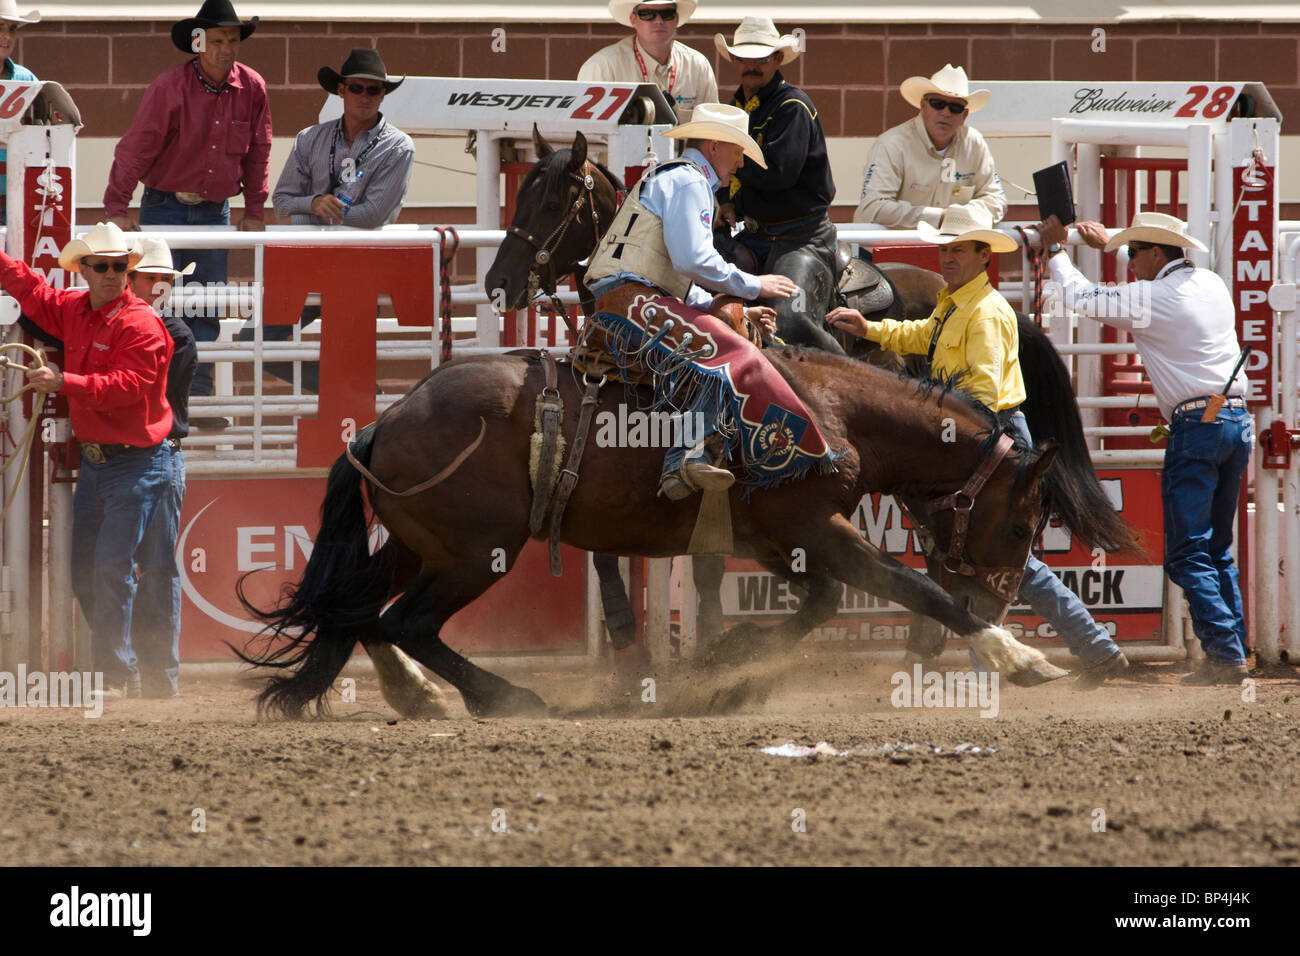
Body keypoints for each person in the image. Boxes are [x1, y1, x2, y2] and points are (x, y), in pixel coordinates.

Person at [827, 207, 1131, 687]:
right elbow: (920, 334)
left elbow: (984, 392)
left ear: (983, 256)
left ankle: (1048, 660)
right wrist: (870, 330)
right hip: (986, 438)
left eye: (958, 250)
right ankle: (1090, 651)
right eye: (945, 249)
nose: (947, 258)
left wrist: (946, 431)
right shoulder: (956, 303)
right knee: (1000, 559)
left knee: (996, 558)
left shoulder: (984, 312)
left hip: (989, 439)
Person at [1038, 211, 1252, 685]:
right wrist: (1113, 243)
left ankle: (1222, 654)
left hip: (1197, 424)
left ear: (1157, 253)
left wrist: (1056, 249)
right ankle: (1232, 647)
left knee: (1187, 553)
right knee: (1215, 548)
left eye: (1135, 252)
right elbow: (1141, 284)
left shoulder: (1154, 297)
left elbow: (1079, 297)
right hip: (1235, 419)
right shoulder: (1211, 283)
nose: (1129, 260)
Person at [584, 101, 812, 498]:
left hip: (629, 294)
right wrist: (753, 286)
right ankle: (687, 457)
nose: (740, 163)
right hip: (631, 297)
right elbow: (693, 260)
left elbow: (678, 270)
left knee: (716, 329)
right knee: (722, 347)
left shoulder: (678, 179)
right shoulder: (691, 182)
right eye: (737, 151)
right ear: (713, 146)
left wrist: (717, 304)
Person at [6, 222, 174, 700]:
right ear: (83, 270)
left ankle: (121, 674)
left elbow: (131, 387)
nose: (111, 274)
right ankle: (134, 667)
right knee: (90, 570)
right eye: (101, 267)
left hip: (135, 463)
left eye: (119, 266)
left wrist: (65, 384)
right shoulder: (76, 310)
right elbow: (32, 290)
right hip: (106, 464)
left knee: (110, 568)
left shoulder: (139, 323)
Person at [102, 0, 271, 423]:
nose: (226, 48)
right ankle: (156, 398)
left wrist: (254, 208)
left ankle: (196, 399)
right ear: (199, 43)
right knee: (155, 303)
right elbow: (138, 145)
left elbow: (259, 152)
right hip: (164, 205)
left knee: (205, 305)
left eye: (232, 40)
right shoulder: (170, 87)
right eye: (217, 40)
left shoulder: (252, 88)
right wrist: (117, 205)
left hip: (215, 211)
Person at [256, 49, 414, 392]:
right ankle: (348, 388)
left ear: (383, 94)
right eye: (357, 88)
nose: (365, 97)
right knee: (252, 343)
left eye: (374, 90)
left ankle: (355, 394)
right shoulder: (309, 138)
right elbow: (281, 202)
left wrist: (323, 212)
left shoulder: (398, 147)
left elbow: (373, 214)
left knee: (350, 359)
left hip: (359, 267)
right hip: (305, 264)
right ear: (341, 90)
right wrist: (314, 204)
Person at [712, 17, 840, 353]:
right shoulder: (735, 108)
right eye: (744, 58)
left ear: (777, 60)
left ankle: (851, 377)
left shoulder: (793, 107)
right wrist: (727, 202)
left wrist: (732, 167)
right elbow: (727, 170)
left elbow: (777, 173)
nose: (751, 66)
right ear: (734, 61)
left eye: (761, 58)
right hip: (756, 234)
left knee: (790, 323)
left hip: (802, 239)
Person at [129, 238, 196, 699]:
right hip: (141, 456)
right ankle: (137, 674)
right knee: (113, 569)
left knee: (147, 569)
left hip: (151, 453)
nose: (160, 286)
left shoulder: (175, 334)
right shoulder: (175, 334)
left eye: (165, 279)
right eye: (152, 277)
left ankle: (151, 677)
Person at [853, 64, 1006, 230]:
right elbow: (873, 207)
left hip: (947, 251)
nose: (946, 113)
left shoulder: (975, 144)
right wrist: (939, 218)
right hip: (885, 252)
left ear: (964, 115)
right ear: (923, 107)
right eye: (937, 103)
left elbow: (996, 201)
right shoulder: (892, 144)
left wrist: (959, 216)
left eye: (955, 107)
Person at [578, 1, 717, 123]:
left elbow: (710, 129)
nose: (658, 21)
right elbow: (590, 135)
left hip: (681, 153)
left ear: (677, 19)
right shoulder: (603, 67)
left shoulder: (698, 66)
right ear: (633, 19)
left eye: (667, 13)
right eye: (647, 14)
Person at [0, 2, 39, 206]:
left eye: (12, 29)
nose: (6, 37)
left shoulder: (27, 80)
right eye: (0, 27)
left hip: (17, 197)